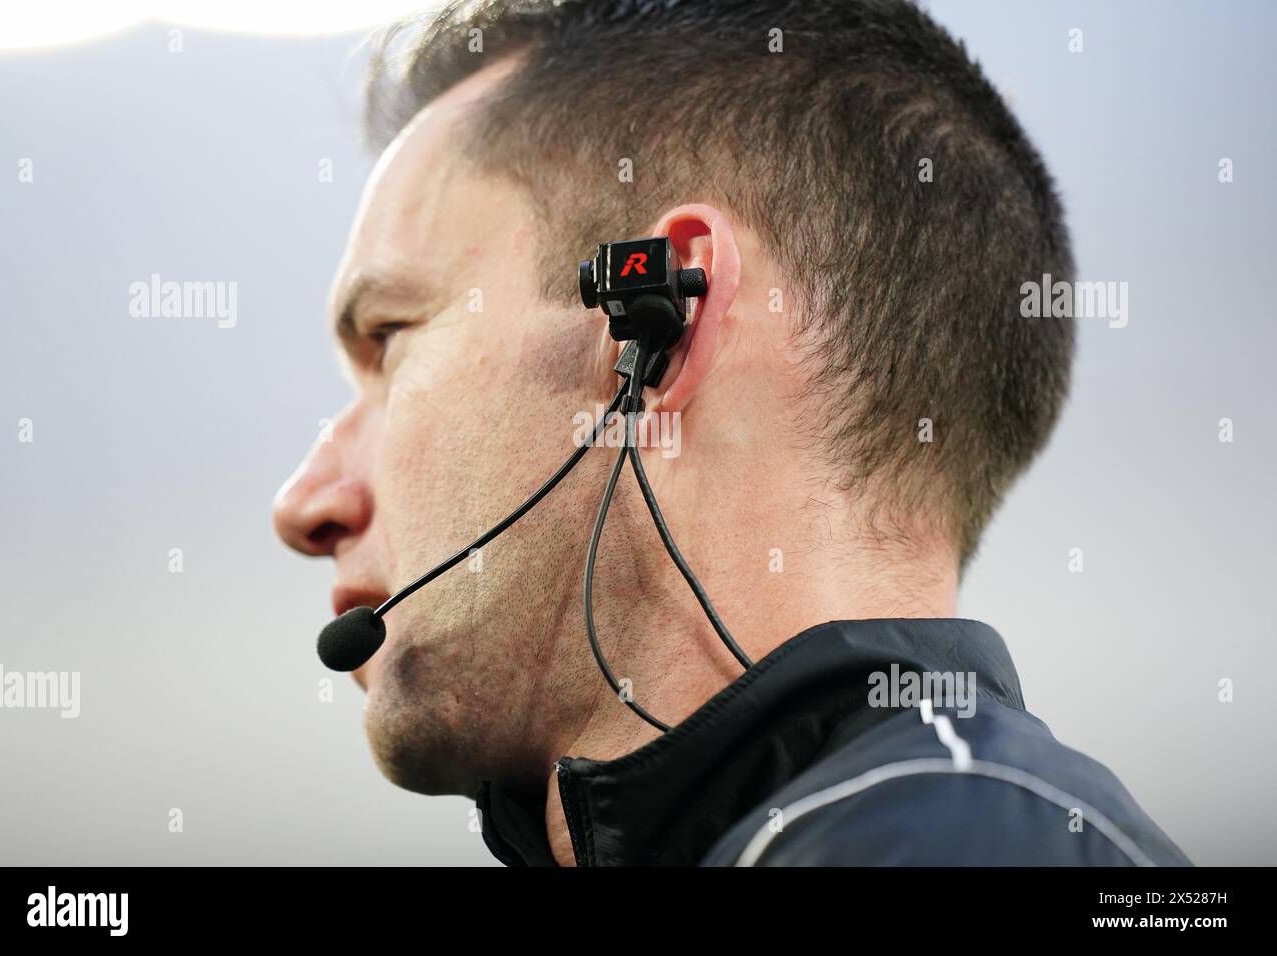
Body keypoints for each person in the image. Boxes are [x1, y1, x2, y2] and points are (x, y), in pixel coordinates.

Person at [273, 0, 1189, 866]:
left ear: (660, 330)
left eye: (389, 337)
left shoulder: (948, 841)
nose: (303, 501)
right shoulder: (960, 819)